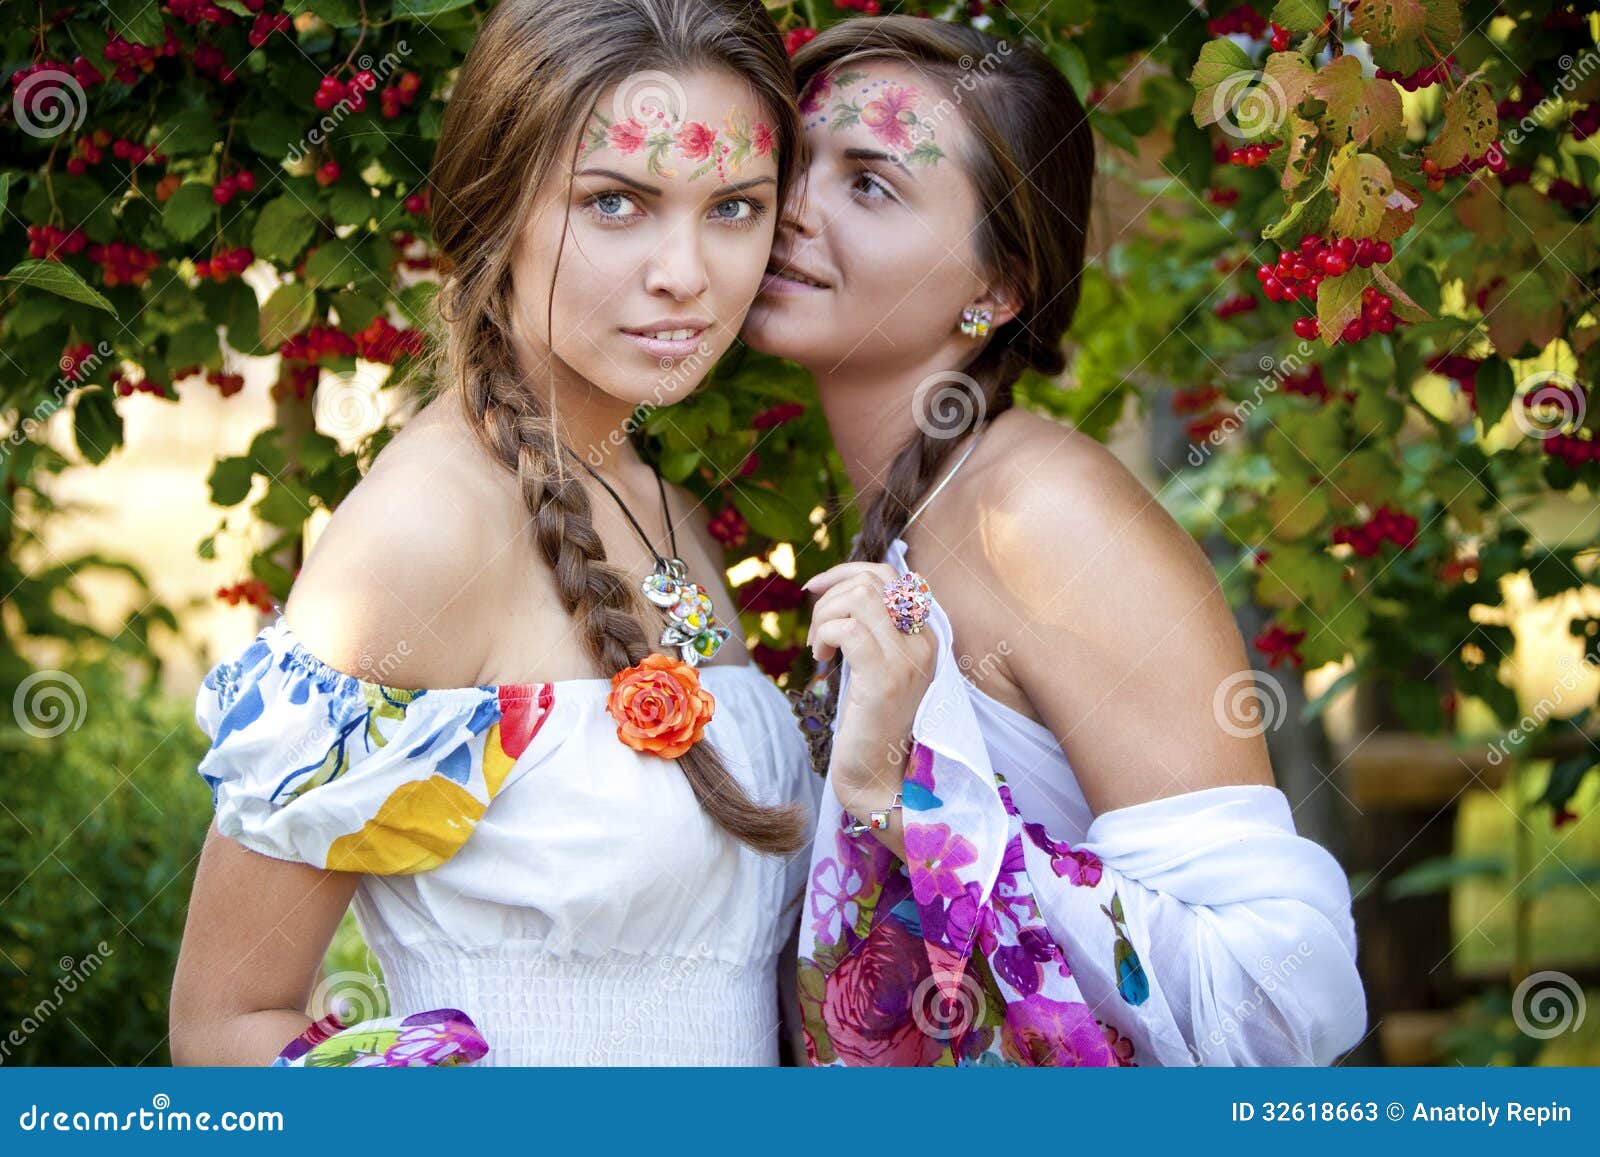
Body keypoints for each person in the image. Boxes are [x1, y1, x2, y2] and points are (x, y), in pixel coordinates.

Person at [170, 0, 821, 1067]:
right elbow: (225, 1025)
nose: (687, 272)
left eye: (735, 207)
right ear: (494, 205)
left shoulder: (654, 502)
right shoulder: (424, 535)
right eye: (615, 202)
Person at [742, 14, 1367, 1066]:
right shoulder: (917, 507)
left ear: (997, 289)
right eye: (792, 161)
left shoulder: (1039, 513)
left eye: (870, 183)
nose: (788, 208)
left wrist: (907, 805)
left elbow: (1276, 996)